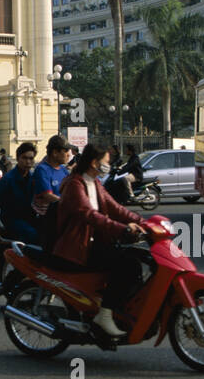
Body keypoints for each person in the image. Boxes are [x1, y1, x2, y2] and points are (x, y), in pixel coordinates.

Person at [51, 143, 150, 340]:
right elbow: (90, 215)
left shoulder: (94, 182)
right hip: (78, 247)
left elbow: (116, 209)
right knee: (128, 265)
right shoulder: (75, 184)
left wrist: (145, 223)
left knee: (138, 258)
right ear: (94, 162)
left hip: (94, 242)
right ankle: (105, 315)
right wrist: (122, 229)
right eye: (106, 161)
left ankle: (117, 310)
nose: (109, 164)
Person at [0, 143, 47, 244]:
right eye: (24, 158)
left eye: (31, 158)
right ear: (18, 158)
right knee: (33, 235)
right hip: (12, 219)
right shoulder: (8, 179)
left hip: (30, 217)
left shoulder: (33, 178)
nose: (28, 162)